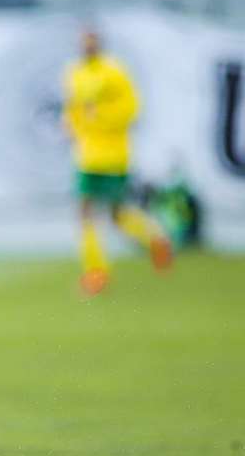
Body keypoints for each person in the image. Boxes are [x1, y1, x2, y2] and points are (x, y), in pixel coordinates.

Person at [63, 29, 172, 295]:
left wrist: (97, 115)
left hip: (112, 155)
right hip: (87, 155)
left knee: (110, 213)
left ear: (100, 44)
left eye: (91, 41)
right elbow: (74, 109)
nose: (86, 45)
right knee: (96, 212)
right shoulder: (75, 73)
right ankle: (152, 240)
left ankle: (101, 270)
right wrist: (71, 127)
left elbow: (131, 109)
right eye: (83, 41)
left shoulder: (115, 72)